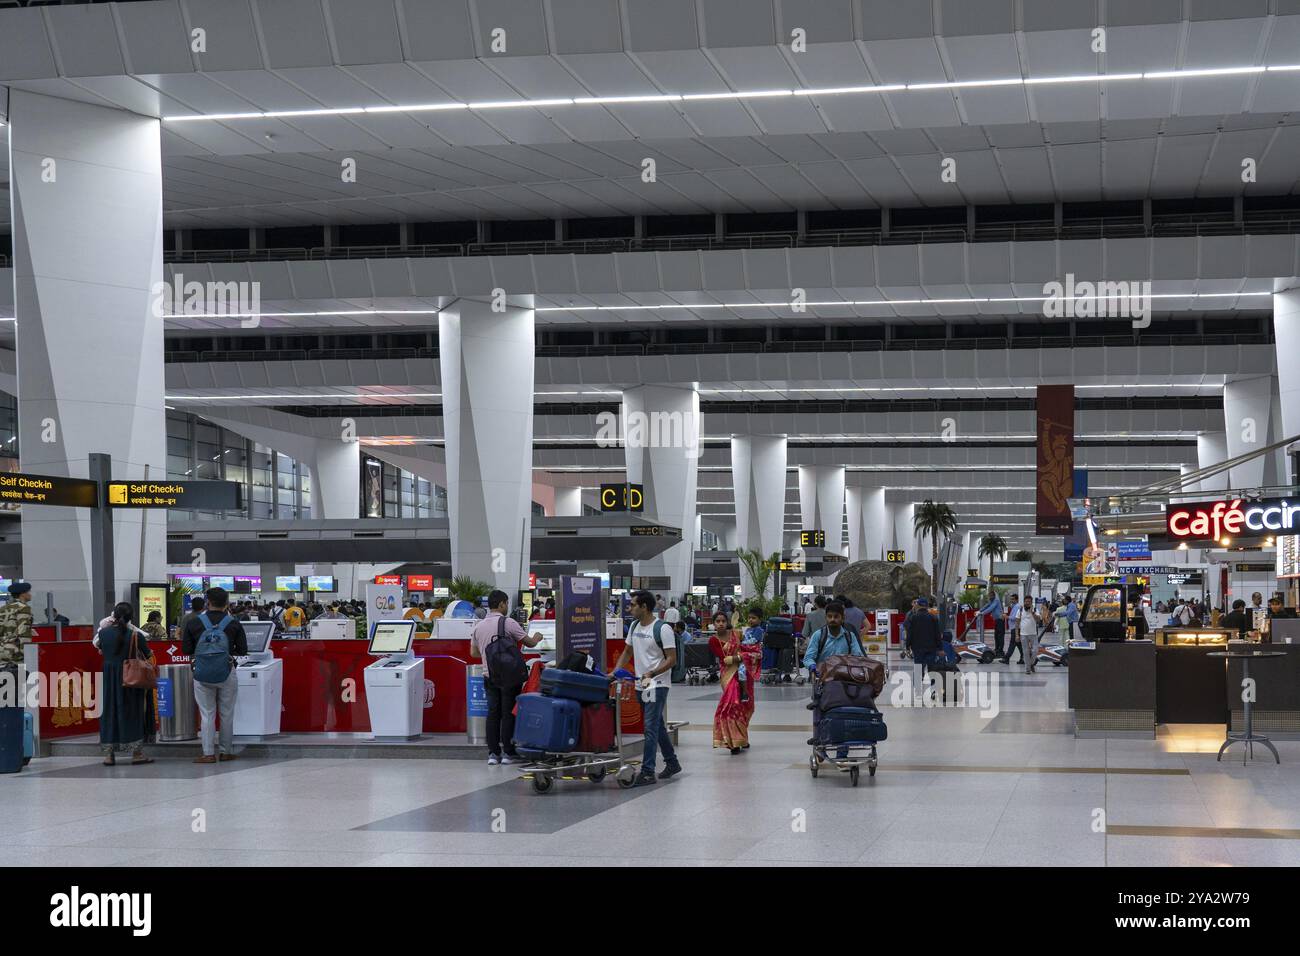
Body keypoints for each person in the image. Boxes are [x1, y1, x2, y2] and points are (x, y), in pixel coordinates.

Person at [609, 590, 681, 787]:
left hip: (657, 684)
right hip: (641, 684)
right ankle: (672, 763)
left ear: (645, 607)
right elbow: (627, 652)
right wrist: (615, 672)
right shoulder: (634, 626)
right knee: (656, 725)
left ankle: (648, 771)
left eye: (633, 605)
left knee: (649, 727)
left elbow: (671, 659)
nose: (629, 608)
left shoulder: (662, 629)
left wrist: (652, 673)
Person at [469, 589, 543, 765]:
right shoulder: (508, 623)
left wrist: (490, 653)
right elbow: (530, 643)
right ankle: (509, 753)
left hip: (489, 676)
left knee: (493, 713)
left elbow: (473, 652)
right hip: (509, 676)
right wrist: (538, 637)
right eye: (507, 603)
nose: (507, 606)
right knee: (508, 713)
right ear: (501, 604)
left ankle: (493, 754)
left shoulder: (478, 626)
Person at [183, 586, 248, 765]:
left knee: (207, 714)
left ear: (207, 602)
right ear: (227, 603)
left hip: (201, 673)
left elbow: (186, 649)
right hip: (227, 672)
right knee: (227, 713)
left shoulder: (194, 623)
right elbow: (243, 650)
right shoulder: (233, 623)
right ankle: (226, 752)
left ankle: (208, 754)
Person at [803, 601, 866, 759]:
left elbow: (858, 655)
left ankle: (842, 751)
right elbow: (809, 657)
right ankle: (821, 746)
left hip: (844, 682)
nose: (832, 620)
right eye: (829, 617)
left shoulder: (849, 636)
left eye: (836, 617)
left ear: (843, 618)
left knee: (843, 715)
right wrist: (812, 667)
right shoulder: (819, 635)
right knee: (821, 714)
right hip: (823, 681)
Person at [97, 602, 155, 766]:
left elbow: (102, 650)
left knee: (109, 712)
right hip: (130, 677)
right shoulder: (136, 635)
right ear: (132, 617)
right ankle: (137, 753)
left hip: (109, 678)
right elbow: (148, 654)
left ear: (113, 616)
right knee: (132, 711)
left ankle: (109, 755)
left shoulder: (103, 634)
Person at [709, 611, 760, 754]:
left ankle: (742, 737)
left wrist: (739, 657)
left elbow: (753, 649)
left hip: (744, 673)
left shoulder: (737, 634)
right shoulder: (713, 640)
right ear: (714, 624)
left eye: (723, 621)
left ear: (727, 622)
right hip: (729, 674)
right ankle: (733, 742)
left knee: (746, 706)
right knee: (732, 705)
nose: (720, 623)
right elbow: (724, 658)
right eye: (717, 621)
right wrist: (739, 657)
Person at [0, 581, 35, 669]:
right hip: (15, 653)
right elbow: (23, 633)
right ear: (22, 594)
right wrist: (26, 654)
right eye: (29, 592)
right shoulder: (24, 608)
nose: (30, 594)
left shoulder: (3, 608)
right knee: (19, 679)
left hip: (2, 651)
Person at [977, 589, 1006, 661]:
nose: (989, 597)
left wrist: (982, 613)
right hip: (996, 620)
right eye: (988, 596)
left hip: (1000, 620)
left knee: (1000, 636)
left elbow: (991, 608)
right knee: (996, 636)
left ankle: (1000, 651)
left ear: (993, 595)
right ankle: (997, 649)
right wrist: (979, 611)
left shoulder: (996, 601)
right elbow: (986, 606)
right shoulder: (991, 601)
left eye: (990, 596)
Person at [1018, 599, 1042, 674]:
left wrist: (1032, 612)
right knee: (1025, 652)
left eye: (1029, 602)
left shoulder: (1035, 609)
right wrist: (1016, 634)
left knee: (1035, 650)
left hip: (1033, 634)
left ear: (1031, 603)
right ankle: (1027, 669)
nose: (1027, 603)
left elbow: (1038, 620)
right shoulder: (1021, 610)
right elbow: (1016, 622)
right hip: (1023, 634)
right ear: (1024, 602)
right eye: (1026, 601)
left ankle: (1031, 663)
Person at [1001, 594, 1024, 665]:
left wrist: (1006, 617)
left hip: (1015, 628)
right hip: (1015, 628)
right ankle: (1023, 658)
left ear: (1017, 600)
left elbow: (1014, 618)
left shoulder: (1017, 607)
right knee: (1019, 644)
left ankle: (1006, 658)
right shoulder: (1014, 606)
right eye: (1011, 599)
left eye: (1013, 599)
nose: (1012, 600)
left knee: (1012, 644)